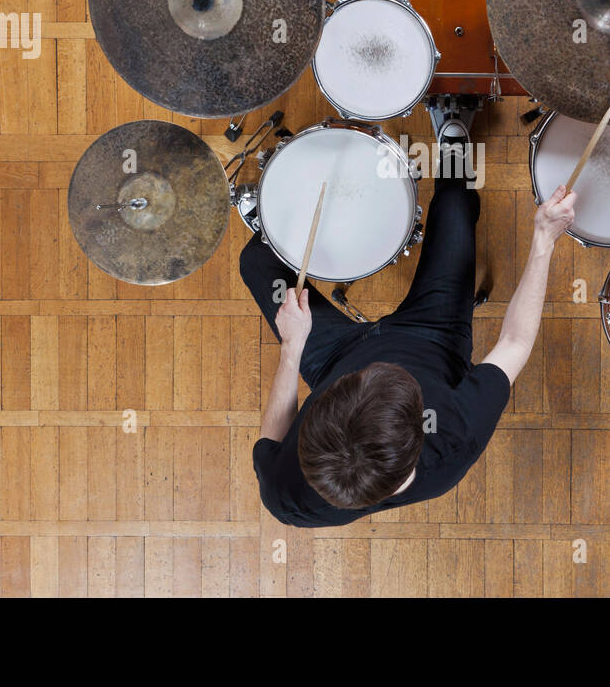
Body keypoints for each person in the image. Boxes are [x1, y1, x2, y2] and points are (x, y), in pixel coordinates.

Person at [239, 116, 577, 527]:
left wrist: (292, 349)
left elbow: (272, 440)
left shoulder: (285, 494)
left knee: (256, 261)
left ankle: (288, 216)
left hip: (332, 360)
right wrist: (543, 240)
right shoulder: (454, 438)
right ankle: (455, 137)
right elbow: (514, 343)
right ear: (418, 432)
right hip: (432, 339)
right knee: (453, 206)